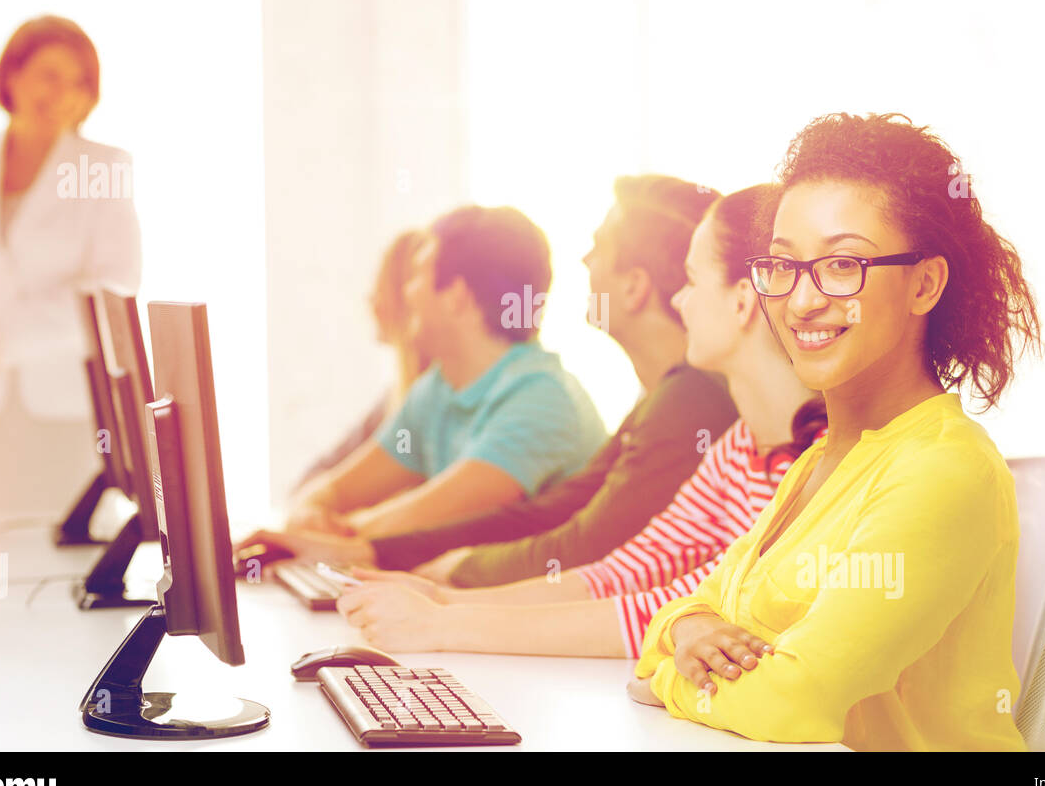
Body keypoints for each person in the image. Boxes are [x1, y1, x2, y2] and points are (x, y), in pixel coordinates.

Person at [630, 112, 1041, 752]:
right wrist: (685, 637)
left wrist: (668, 682)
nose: (801, 302)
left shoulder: (942, 471)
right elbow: (681, 615)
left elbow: (797, 703)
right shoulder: (820, 460)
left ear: (924, 283)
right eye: (784, 266)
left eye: (843, 265)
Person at [336, 185, 825, 658]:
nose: (680, 300)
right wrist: (441, 601)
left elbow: (692, 608)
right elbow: (627, 571)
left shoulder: (812, 463)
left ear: (742, 302)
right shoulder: (738, 447)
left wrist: (441, 620)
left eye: (693, 281)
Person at [291, 175, 739, 582]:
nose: (583, 260)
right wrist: (369, 548)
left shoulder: (678, 398)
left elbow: (582, 548)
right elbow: (552, 516)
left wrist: (444, 577)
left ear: (634, 287)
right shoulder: (659, 397)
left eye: (598, 246)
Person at [239, 204, 606, 549]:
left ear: (456, 296)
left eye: (417, 274)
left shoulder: (542, 399)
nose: (406, 292)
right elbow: (336, 490)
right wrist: (309, 511)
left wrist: (318, 533)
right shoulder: (438, 388)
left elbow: (415, 520)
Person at [0, 15, 142, 538]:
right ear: (13, 76)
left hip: (65, 405)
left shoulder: (104, 167)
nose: (62, 93)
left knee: (63, 557)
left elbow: (113, 291)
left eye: (78, 82)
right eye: (48, 74)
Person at [291, 229, 428, 492]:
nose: (371, 300)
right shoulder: (392, 401)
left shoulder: (430, 404)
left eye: (382, 285)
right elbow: (315, 476)